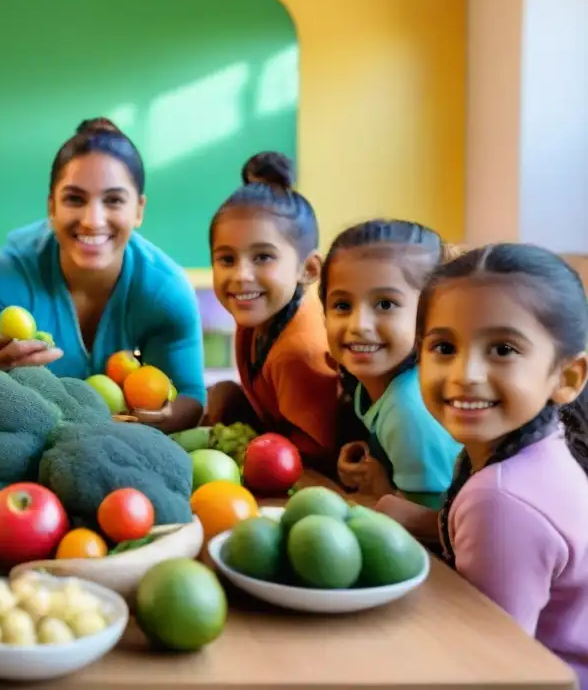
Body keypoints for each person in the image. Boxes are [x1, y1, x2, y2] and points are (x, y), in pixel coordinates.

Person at [380, 244, 588, 685]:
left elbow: (491, 670)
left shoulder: (501, 498)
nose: (466, 374)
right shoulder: (535, 451)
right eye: (443, 346)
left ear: (566, 377)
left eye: (503, 349)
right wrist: (426, 522)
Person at [0, 118, 206, 433]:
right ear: (51, 206)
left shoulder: (165, 290)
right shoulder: (9, 270)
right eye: (74, 199)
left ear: (138, 210)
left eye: (113, 200)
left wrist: (134, 425)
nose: (92, 221)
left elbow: (190, 397)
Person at [320, 220, 461, 507]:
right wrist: (373, 464)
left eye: (385, 304)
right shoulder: (368, 386)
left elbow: (430, 524)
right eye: (342, 305)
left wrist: (381, 491)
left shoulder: (409, 407)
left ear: (432, 315)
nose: (359, 325)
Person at [206, 179, 338, 468]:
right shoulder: (258, 317)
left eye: (263, 257)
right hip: (278, 439)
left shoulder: (300, 351)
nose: (241, 275)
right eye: (227, 259)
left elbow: (317, 452)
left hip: (318, 469)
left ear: (308, 269)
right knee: (221, 396)